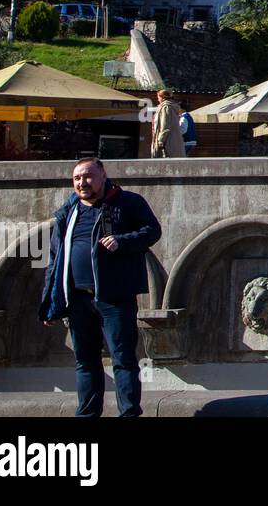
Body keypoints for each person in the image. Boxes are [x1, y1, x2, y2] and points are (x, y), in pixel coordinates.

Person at [39, 157, 162, 417]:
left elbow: (152, 231)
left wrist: (123, 241)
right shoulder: (68, 212)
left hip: (114, 297)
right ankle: (87, 415)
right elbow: (56, 258)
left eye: (88, 176)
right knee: (85, 362)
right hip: (77, 299)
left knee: (123, 360)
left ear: (103, 176)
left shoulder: (127, 202)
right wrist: (50, 302)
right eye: (77, 178)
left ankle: (129, 414)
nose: (82, 182)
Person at [150, 88, 185, 158]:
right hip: (172, 140)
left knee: (166, 165)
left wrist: (160, 141)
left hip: (168, 142)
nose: (158, 99)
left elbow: (165, 126)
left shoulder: (166, 107)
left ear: (163, 97)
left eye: (158, 97)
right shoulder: (171, 106)